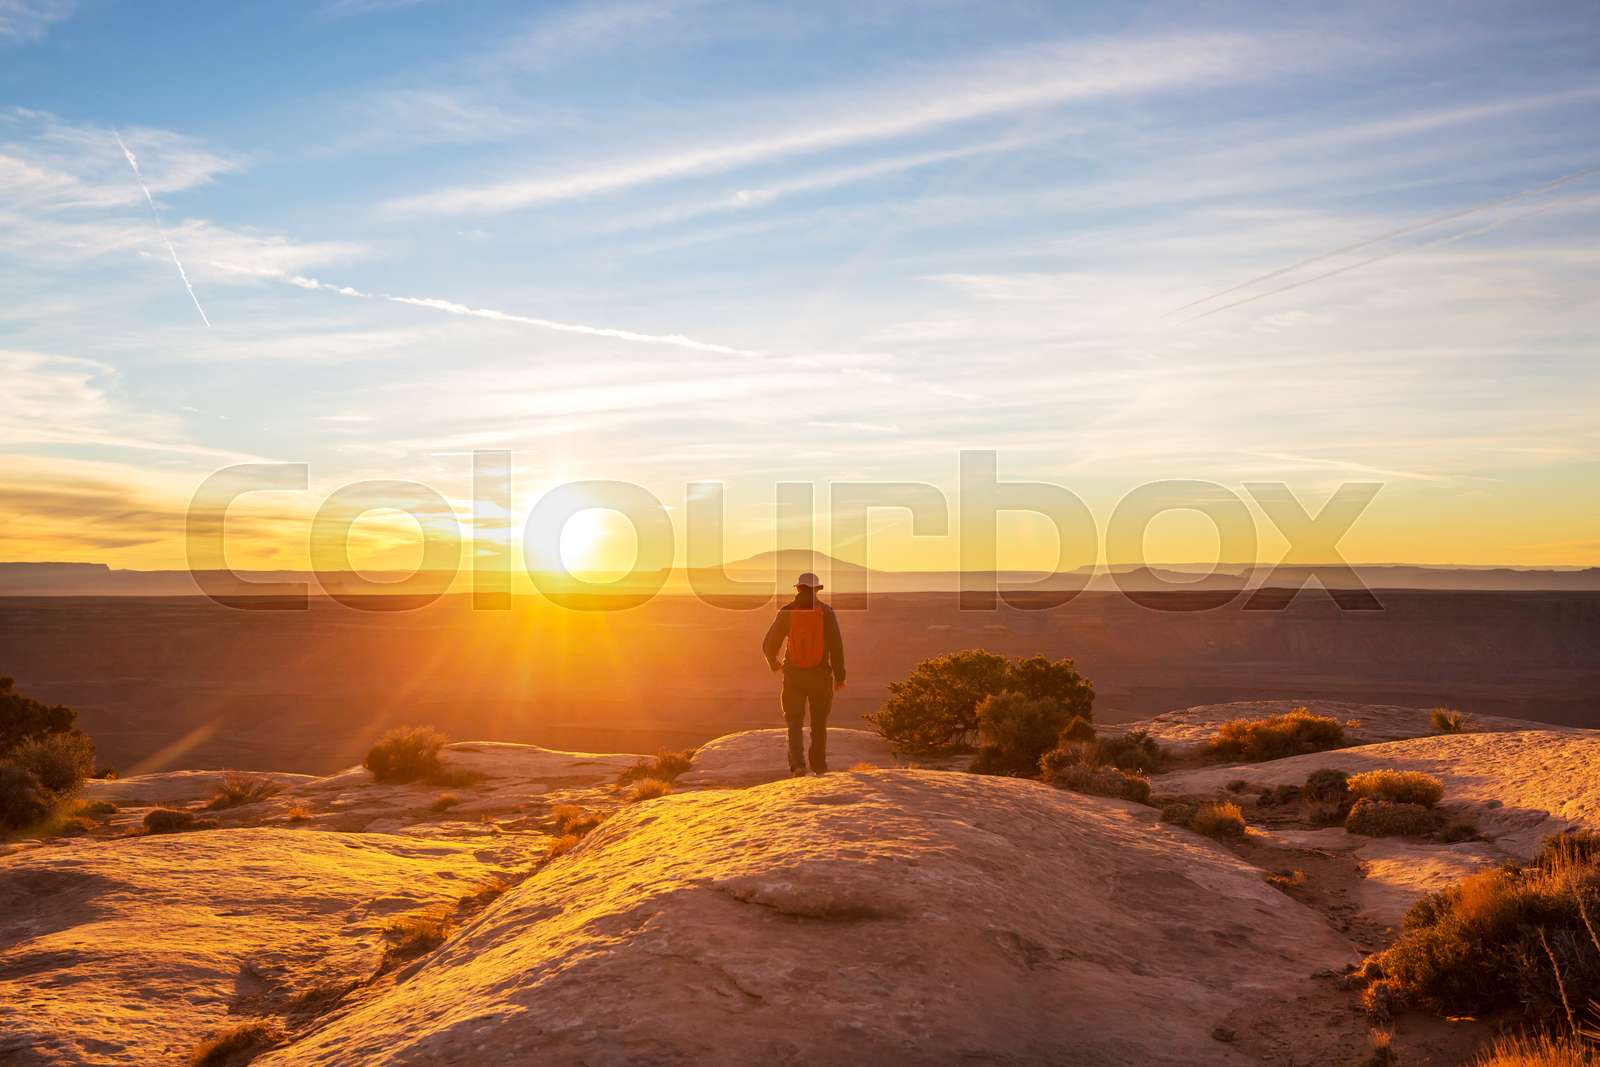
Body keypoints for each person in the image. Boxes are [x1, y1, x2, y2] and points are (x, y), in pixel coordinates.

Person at [761, 572, 846, 776]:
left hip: (793, 676)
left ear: (798, 588)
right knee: (818, 722)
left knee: (794, 721)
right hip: (821, 676)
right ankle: (819, 766)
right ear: (817, 590)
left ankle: (798, 765)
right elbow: (836, 645)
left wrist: (774, 663)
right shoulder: (826, 612)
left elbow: (768, 644)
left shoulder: (787, 612)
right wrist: (840, 676)